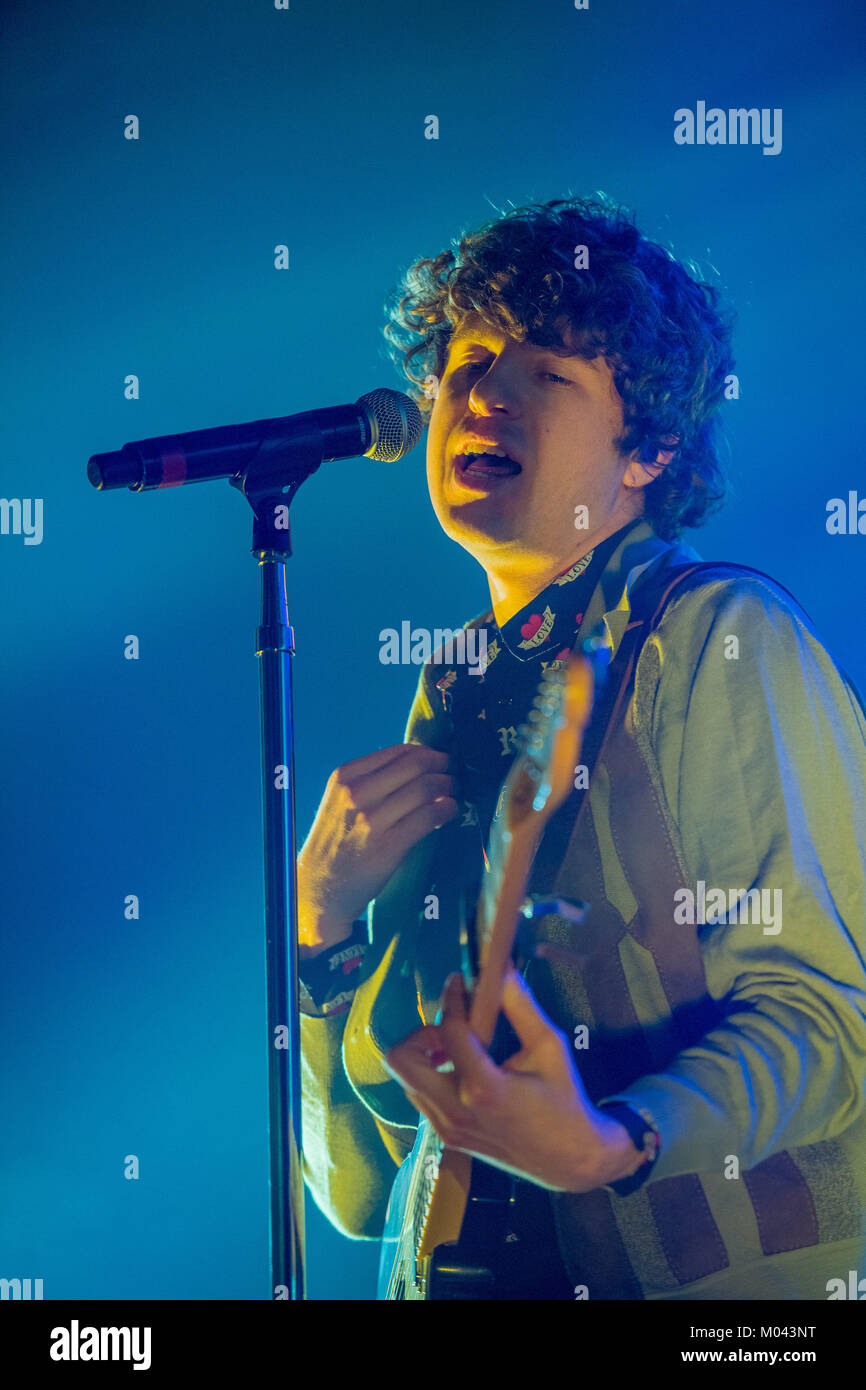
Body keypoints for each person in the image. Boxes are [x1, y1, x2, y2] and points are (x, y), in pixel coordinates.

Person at [296, 195, 866, 1300]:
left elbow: (829, 1019)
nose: (481, 394)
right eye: (464, 361)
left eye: (544, 372)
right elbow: (357, 1196)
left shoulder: (720, 636)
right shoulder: (454, 684)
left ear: (648, 445)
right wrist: (319, 943)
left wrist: (615, 1140)